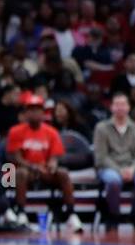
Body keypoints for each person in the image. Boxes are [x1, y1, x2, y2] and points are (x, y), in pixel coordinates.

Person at [7, 93, 83, 232]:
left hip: (44, 171)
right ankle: (21, 212)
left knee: (63, 173)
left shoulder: (51, 132)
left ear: (43, 113)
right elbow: (14, 158)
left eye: (38, 109)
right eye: (31, 109)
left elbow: (55, 156)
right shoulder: (15, 131)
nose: (34, 112)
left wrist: (52, 164)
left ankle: (71, 215)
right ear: (25, 112)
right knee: (20, 173)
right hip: (23, 172)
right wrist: (33, 166)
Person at [93, 91, 135, 230]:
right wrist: (119, 170)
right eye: (116, 104)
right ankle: (113, 215)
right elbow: (101, 157)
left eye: (123, 104)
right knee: (113, 181)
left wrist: (132, 169)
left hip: (132, 167)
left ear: (129, 107)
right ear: (111, 107)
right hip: (109, 167)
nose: (120, 107)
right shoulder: (101, 128)